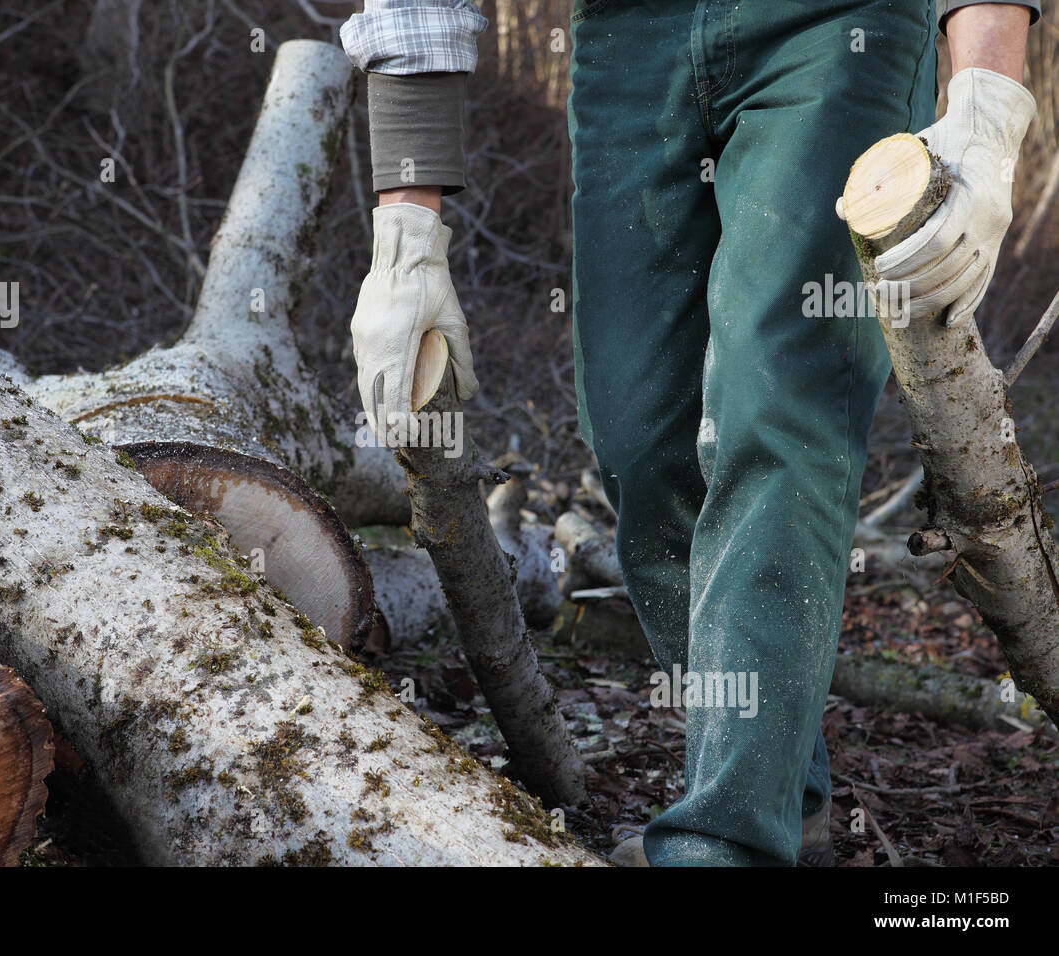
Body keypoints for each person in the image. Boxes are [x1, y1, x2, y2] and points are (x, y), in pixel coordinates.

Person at [340, 0, 1041, 866]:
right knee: (639, 437)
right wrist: (405, 229)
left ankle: (728, 840)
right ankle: (788, 794)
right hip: (630, 39)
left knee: (776, 410)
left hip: (835, 27)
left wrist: (984, 97)